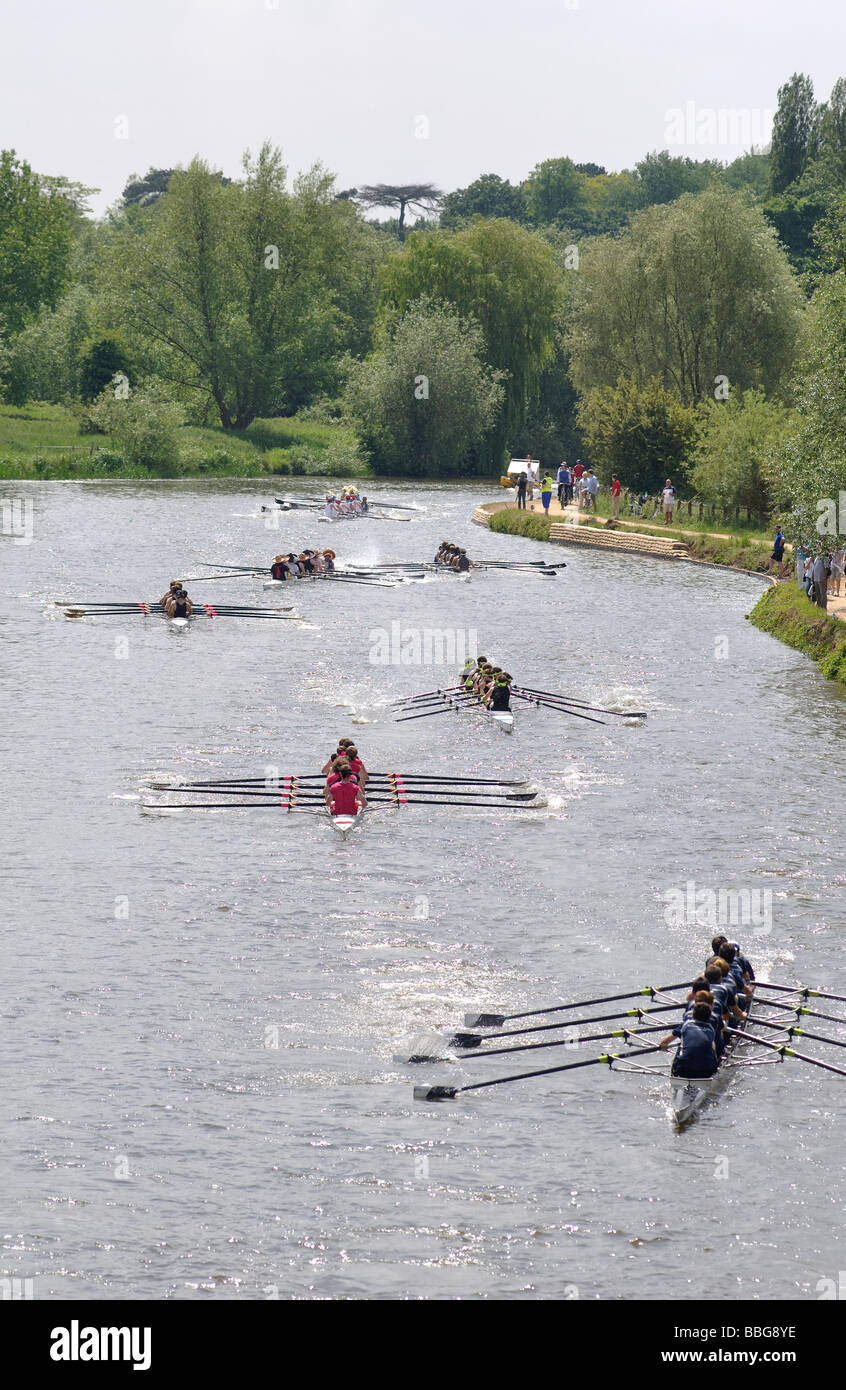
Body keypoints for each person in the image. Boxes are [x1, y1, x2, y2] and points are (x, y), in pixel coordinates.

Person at [659, 1000, 718, 1077]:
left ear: (693, 1015)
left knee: (681, 1048)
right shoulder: (710, 1029)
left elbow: (664, 1042)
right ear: (709, 1017)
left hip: (683, 1069)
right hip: (705, 1071)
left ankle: (674, 1076)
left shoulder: (686, 1025)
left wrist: (664, 1046)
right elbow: (713, 1050)